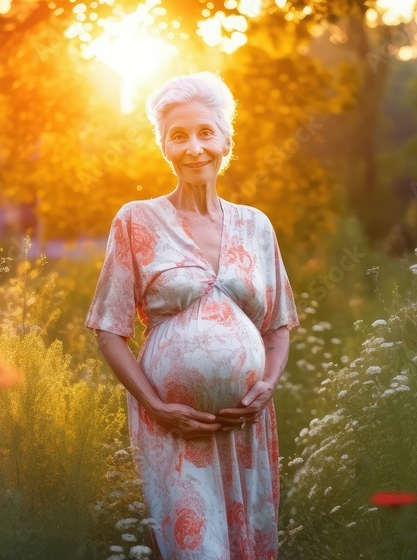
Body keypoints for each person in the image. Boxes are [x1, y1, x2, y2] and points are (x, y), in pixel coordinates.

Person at [85, 71, 299, 560]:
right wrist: (156, 406)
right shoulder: (136, 220)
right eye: (178, 136)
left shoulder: (256, 226)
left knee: (246, 549)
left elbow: (277, 326)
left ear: (226, 141)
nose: (194, 148)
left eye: (205, 132)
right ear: (164, 147)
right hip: (172, 427)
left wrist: (267, 384)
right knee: (199, 551)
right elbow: (109, 330)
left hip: (245, 428)